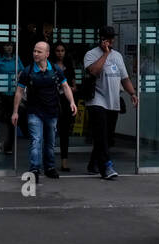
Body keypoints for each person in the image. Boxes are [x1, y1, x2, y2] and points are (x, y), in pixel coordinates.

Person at [12, 41, 77, 183]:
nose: (35, 54)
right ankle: (34, 169)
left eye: (39, 52)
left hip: (52, 111)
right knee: (36, 140)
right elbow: (19, 91)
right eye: (34, 51)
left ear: (47, 54)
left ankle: (49, 168)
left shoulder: (55, 69)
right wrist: (15, 112)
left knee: (50, 142)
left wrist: (72, 102)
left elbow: (65, 86)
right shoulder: (28, 71)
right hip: (34, 112)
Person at [82, 25, 138, 180]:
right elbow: (94, 71)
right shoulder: (91, 54)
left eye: (112, 38)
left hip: (113, 101)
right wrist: (105, 54)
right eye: (107, 38)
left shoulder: (118, 56)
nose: (110, 41)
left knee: (107, 137)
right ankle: (106, 167)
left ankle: (93, 164)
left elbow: (124, 78)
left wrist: (132, 93)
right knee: (101, 135)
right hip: (96, 100)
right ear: (101, 39)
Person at [0, 43, 23, 154]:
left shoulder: (16, 57)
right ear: (2, 47)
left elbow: (22, 72)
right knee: (2, 119)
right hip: (1, 93)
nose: (9, 47)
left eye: (10, 45)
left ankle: (9, 146)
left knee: (12, 119)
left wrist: (20, 75)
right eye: (6, 45)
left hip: (14, 93)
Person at [51, 42, 76, 171]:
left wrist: (69, 89)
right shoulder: (50, 66)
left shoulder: (69, 67)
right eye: (57, 50)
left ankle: (64, 162)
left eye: (62, 50)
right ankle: (48, 161)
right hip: (52, 100)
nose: (60, 53)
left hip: (66, 101)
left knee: (64, 132)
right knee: (50, 131)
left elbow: (74, 86)